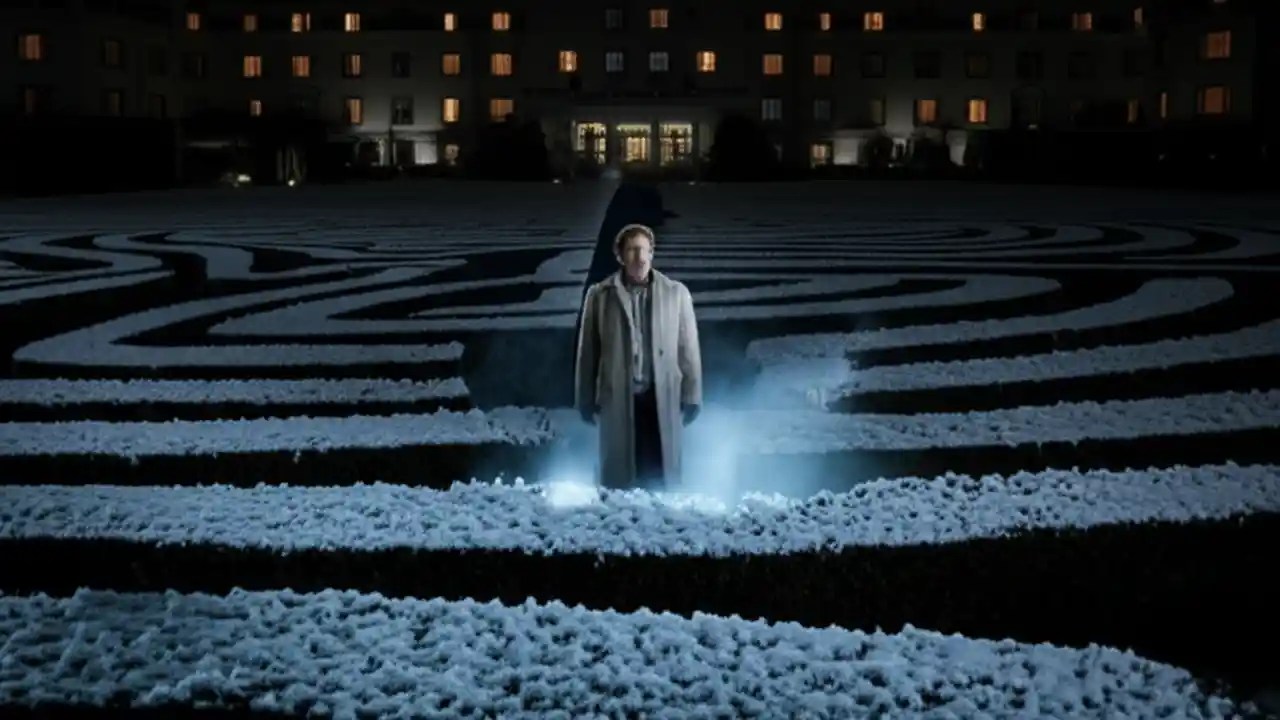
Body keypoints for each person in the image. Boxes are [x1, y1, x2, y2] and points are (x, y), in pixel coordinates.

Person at [574, 223, 702, 490]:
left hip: (662, 394)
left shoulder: (676, 293)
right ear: (620, 256)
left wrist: (692, 395)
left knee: (661, 469)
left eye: (644, 250)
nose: (639, 257)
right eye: (632, 250)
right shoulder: (599, 295)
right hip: (618, 395)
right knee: (622, 473)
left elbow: (688, 349)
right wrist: (584, 398)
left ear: (652, 253)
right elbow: (588, 353)